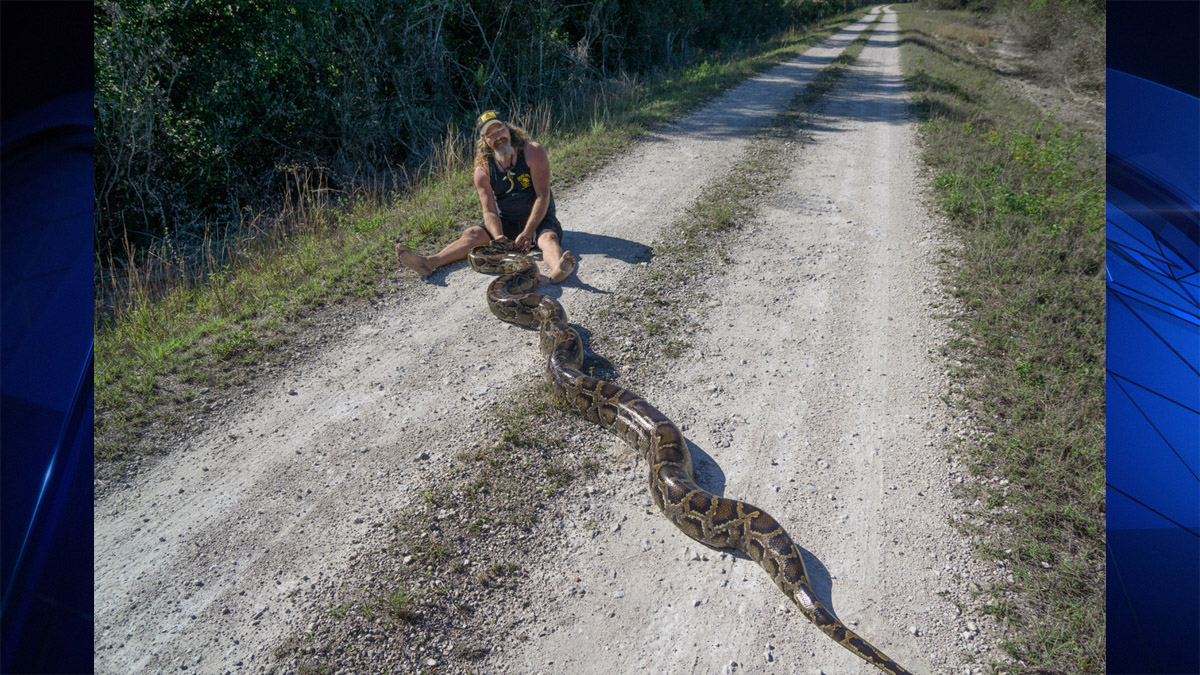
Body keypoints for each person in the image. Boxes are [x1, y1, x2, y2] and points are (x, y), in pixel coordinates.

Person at [395, 110, 577, 283]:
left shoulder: (532, 151)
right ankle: (429, 262)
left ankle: (557, 269)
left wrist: (529, 232)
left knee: (547, 239)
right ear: (484, 140)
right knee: (473, 234)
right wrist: (498, 238)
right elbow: (489, 211)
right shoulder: (482, 170)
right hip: (507, 222)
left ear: (509, 128)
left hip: (538, 219)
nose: (498, 137)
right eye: (491, 135)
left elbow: (542, 195)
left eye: (500, 130)